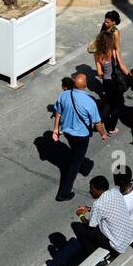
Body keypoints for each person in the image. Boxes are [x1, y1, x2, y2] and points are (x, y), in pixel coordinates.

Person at [51, 72, 107, 201]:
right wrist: (103, 133)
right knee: (73, 165)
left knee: (77, 153)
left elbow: (58, 113)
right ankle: (63, 192)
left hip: (67, 133)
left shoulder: (64, 95)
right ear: (85, 85)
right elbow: (97, 123)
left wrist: (55, 129)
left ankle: (86, 166)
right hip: (81, 136)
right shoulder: (89, 101)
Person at [72, 175, 133, 256]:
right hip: (129, 234)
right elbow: (108, 209)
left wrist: (80, 215)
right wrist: (89, 209)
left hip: (118, 246)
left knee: (78, 227)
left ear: (100, 190)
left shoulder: (98, 205)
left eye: (92, 189)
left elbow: (90, 226)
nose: (90, 191)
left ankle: (93, 256)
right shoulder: (115, 192)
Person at [92, 11, 126, 133]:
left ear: (114, 22)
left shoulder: (115, 32)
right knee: (115, 104)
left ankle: (100, 121)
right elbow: (115, 51)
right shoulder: (106, 30)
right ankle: (110, 127)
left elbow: (117, 49)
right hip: (110, 70)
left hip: (107, 68)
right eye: (105, 21)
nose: (105, 23)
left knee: (108, 101)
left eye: (108, 21)